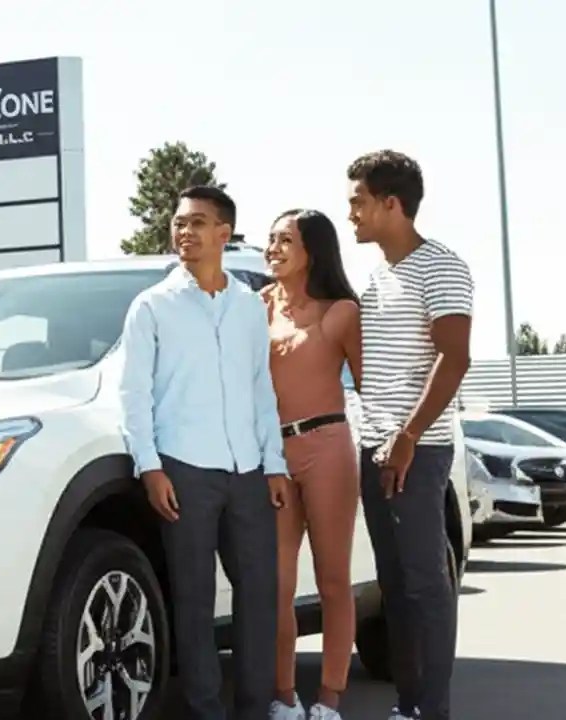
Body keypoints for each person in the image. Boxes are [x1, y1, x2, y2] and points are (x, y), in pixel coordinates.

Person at [119, 185, 290, 720]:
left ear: (224, 233)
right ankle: (205, 710)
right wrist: (148, 465)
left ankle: (254, 708)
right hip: (183, 468)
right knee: (193, 600)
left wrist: (275, 462)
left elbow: (261, 389)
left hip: (248, 471)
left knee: (259, 595)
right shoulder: (151, 306)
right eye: (178, 223)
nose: (184, 232)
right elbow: (133, 392)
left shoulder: (246, 307)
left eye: (196, 223)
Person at [346, 150, 473, 720]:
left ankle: (432, 709)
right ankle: (409, 704)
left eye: (359, 201)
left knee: (424, 584)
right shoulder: (378, 277)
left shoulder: (441, 267)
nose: (351, 212)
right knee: (394, 585)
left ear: (391, 204)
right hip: (374, 447)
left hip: (416, 452)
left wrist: (408, 435)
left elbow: (454, 358)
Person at [260, 209, 362, 720]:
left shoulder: (341, 310)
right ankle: (283, 697)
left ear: (311, 251)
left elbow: (374, 385)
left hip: (328, 447)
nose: (273, 247)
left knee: (333, 580)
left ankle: (328, 700)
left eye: (285, 240)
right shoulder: (256, 307)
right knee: (277, 582)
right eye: (271, 238)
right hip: (274, 456)